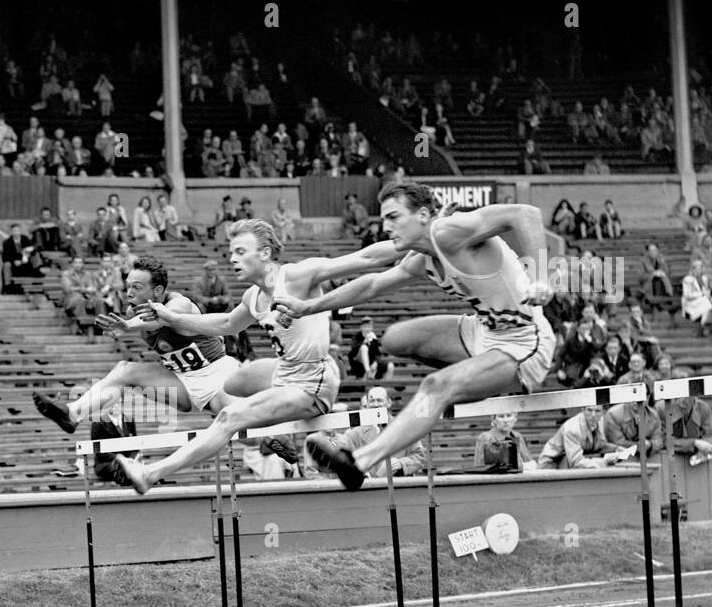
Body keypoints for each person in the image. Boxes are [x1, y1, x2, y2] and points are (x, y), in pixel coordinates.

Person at [271, 183, 554, 490]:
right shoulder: (420, 257)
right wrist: (308, 306)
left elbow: (524, 213)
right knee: (395, 339)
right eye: (384, 219)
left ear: (422, 215)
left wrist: (540, 278)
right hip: (484, 331)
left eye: (393, 217)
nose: (386, 226)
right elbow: (372, 285)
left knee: (434, 387)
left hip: (526, 341)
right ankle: (466, 380)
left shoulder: (450, 231)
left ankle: (358, 463)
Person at [106, 222, 353, 494]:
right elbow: (225, 323)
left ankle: (151, 473)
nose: (232, 258)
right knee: (233, 384)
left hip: (313, 378)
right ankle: (277, 434)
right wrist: (173, 318)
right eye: (230, 251)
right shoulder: (254, 296)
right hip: (289, 372)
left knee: (228, 416)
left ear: (264, 253)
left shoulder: (295, 275)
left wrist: (405, 251)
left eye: (239, 251)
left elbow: (364, 260)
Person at [31, 256, 245, 437]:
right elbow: (146, 319)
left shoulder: (181, 303)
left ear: (157, 290)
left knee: (246, 433)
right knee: (124, 370)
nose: (129, 293)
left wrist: (128, 326)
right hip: (182, 383)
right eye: (127, 286)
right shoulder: (132, 314)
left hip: (218, 378)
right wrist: (129, 323)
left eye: (136, 287)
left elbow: (162, 318)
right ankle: (72, 414)